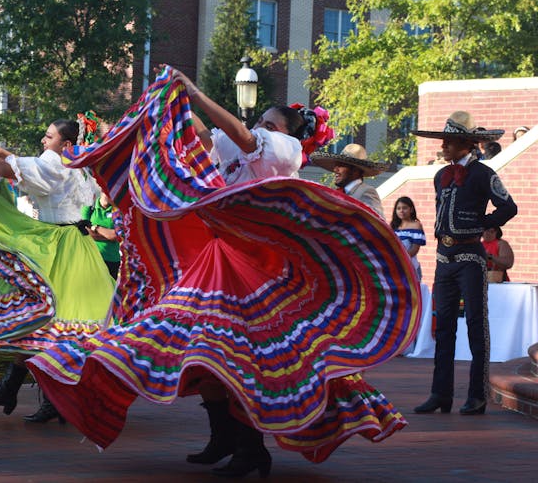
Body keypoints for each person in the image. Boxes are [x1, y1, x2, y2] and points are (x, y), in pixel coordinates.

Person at [25, 67, 419, 477]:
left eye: (270, 124)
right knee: (203, 351)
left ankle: (251, 449)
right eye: (261, 121)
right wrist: (176, 100)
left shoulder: (286, 150)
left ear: (289, 134)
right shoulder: (244, 145)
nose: (261, 127)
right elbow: (204, 136)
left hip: (254, 270)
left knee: (238, 358)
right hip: (220, 262)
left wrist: (195, 93)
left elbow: (243, 137)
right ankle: (224, 439)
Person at [0, 120, 112, 423]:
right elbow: (24, 168)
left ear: (66, 144)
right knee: (46, 320)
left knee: (47, 319)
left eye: (49, 136)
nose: (43, 140)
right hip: (79, 246)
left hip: (57, 246)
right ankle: (17, 388)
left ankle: (43, 397)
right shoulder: (81, 167)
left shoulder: (53, 162)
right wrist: (3, 152)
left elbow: (8, 171)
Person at [413, 111, 517, 416]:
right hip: (443, 258)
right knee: (444, 326)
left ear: (466, 143)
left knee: (475, 323)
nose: (443, 146)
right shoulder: (440, 175)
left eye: (449, 141)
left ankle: (477, 395)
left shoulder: (483, 173)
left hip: (471, 256)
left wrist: (483, 223)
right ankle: (440, 393)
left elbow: (508, 206)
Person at [310, 144, 387, 217]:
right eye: (336, 165)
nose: (335, 170)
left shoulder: (366, 192)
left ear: (355, 170)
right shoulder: (337, 193)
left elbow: (377, 223)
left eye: (341, 165)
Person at [83, 192, 120, 279]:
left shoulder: (117, 210)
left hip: (112, 260)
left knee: (110, 287)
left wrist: (96, 228)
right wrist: (109, 235)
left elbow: (117, 235)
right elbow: (84, 231)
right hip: (92, 258)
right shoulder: (90, 207)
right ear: (102, 191)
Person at [390, 196, 426, 280]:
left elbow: (414, 249)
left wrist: (400, 258)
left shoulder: (416, 225)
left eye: (405, 208)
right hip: (395, 266)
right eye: (398, 208)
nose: (401, 211)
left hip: (411, 266)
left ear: (411, 209)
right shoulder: (393, 226)